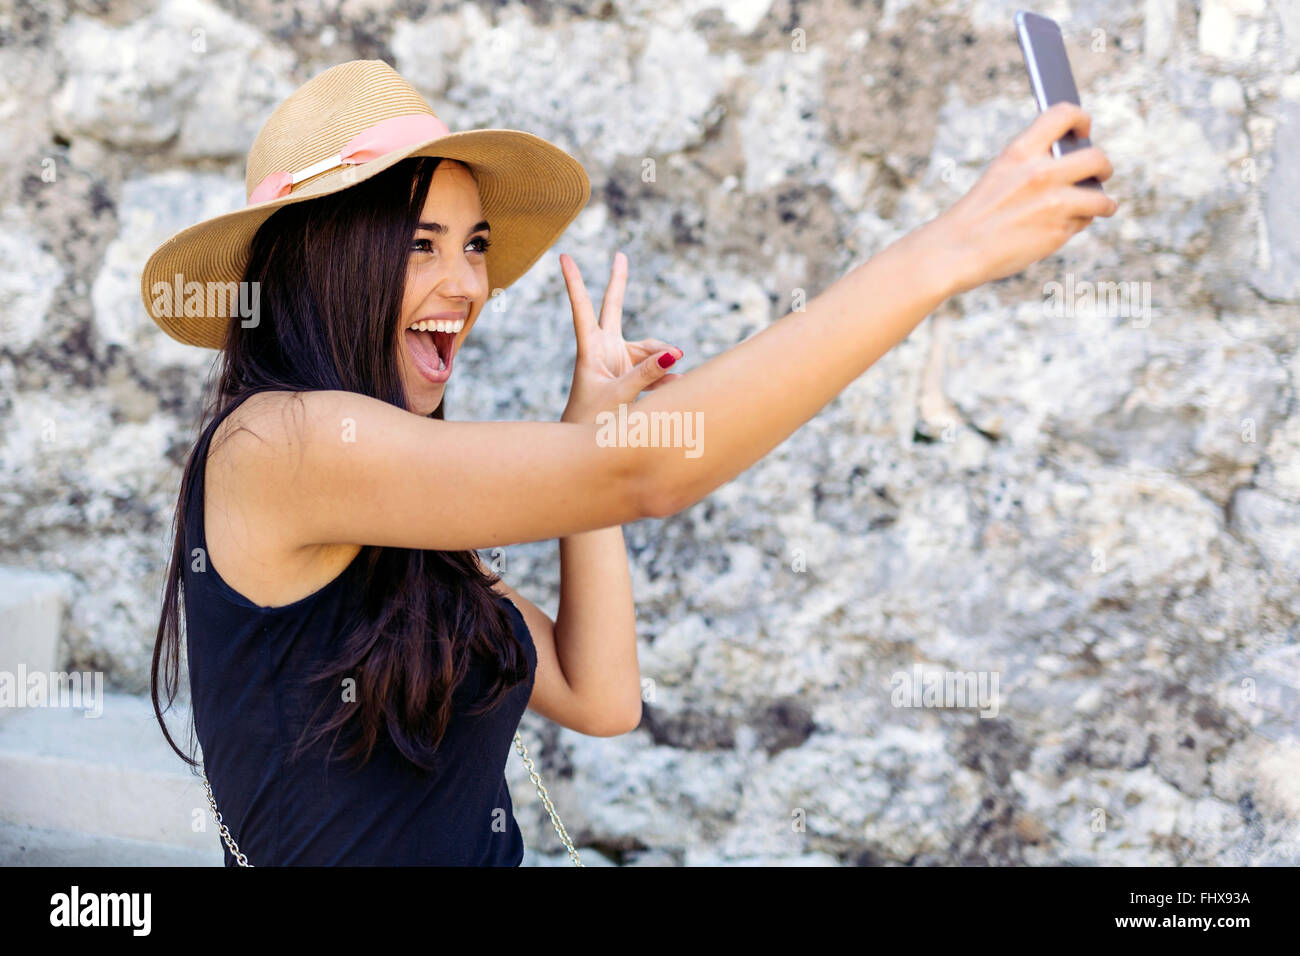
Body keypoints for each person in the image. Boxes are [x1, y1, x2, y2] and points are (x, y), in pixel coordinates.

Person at [148, 60, 1115, 866]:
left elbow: (601, 694)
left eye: (476, 244)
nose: (466, 284)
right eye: (420, 246)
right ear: (325, 262)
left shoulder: (399, 506)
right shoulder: (279, 443)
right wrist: (944, 252)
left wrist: (588, 440)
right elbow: (652, 474)